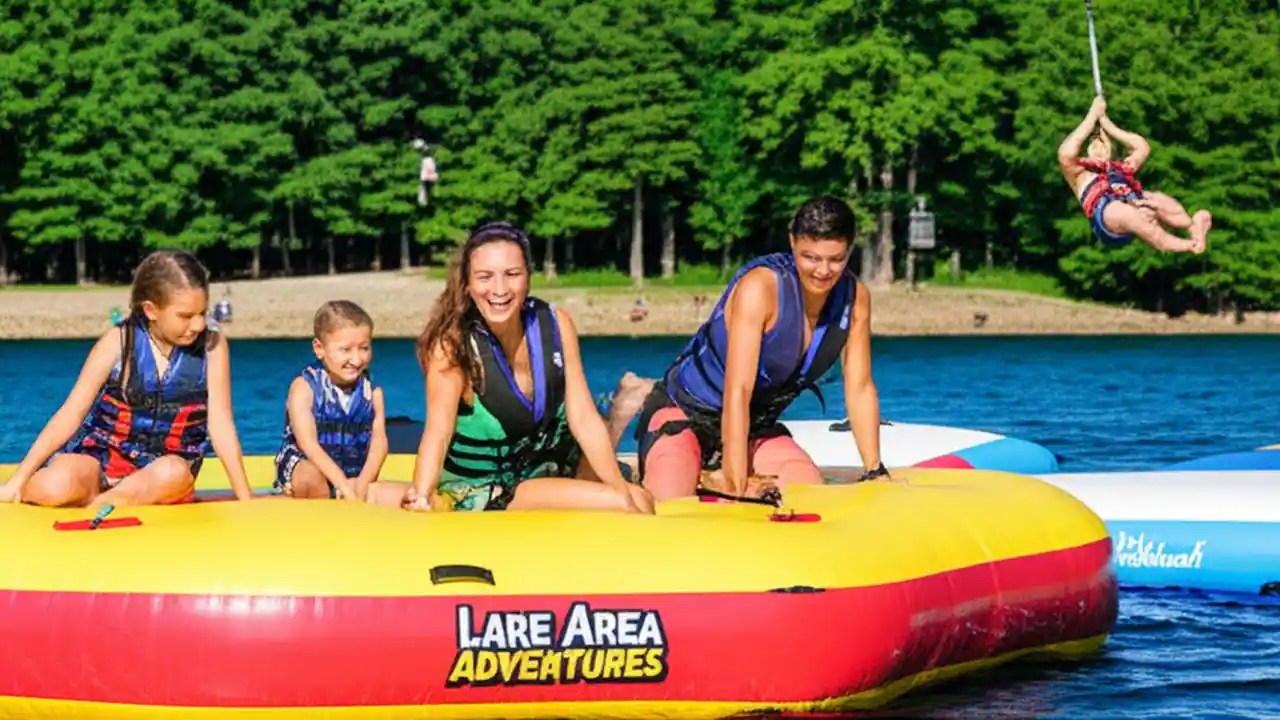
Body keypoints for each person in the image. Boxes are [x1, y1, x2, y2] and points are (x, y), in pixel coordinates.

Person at [634, 196, 891, 502]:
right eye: (811, 257)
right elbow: (738, 390)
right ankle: (691, 473)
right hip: (684, 412)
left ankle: (711, 475)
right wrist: (737, 483)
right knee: (670, 496)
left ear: (849, 250)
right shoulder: (761, 289)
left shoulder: (855, 298)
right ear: (792, 242)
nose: (823, 270)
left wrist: (874, 471)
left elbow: (859, 387)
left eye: (835, 259)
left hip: (755, 429)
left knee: (808, 492)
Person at [400, 221, 654, 513]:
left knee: (638, 499)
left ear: (528, 278)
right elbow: (438, 430)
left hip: (545, 474)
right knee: (619, 503)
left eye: (512, 274)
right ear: (468, 284)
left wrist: (619, 489)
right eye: (485, 277)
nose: (499, 289)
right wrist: (421, 494)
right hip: (484, 488)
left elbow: (583, 418)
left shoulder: (557, 324)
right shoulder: (452, 346)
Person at [0, 250, 253, 508]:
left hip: (162, 473)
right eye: (186, 316)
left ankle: (99, 505)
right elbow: (71, 413)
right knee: (54, 486)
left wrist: (245, 498)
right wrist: (19, 480)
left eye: (202, 312)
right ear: (151, 310)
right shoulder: (118, 342)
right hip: (100, 461)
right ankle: (104, 498)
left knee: (173, 473)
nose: (198, 324)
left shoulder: (212, 345)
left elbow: (220, 423)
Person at [274, 300, 401, 506]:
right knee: (310, 477)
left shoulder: (373, 391)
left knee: (402, 497)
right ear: (319, 348)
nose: (357, 359)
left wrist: (362, 483)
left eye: (364, 348)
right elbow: (309, 445)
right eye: (345, 350)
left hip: (354, 472)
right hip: (310, 466)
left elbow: (379, 444)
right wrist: (340, 483)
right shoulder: (304, 388)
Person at [1058, 96, 1211, 253]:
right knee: (1125, 212)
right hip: (1107, 215)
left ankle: (1193, 228)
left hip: (1133, 201)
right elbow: (1065, 153)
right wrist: (1092, 115)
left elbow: (1141, 147)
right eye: (1093, 144)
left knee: (1156, 198)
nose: (1099, 147)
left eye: (1103, 143)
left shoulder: (1121, 167)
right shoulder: (1080, 172)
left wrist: (1106, 123)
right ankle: (1188, 246)